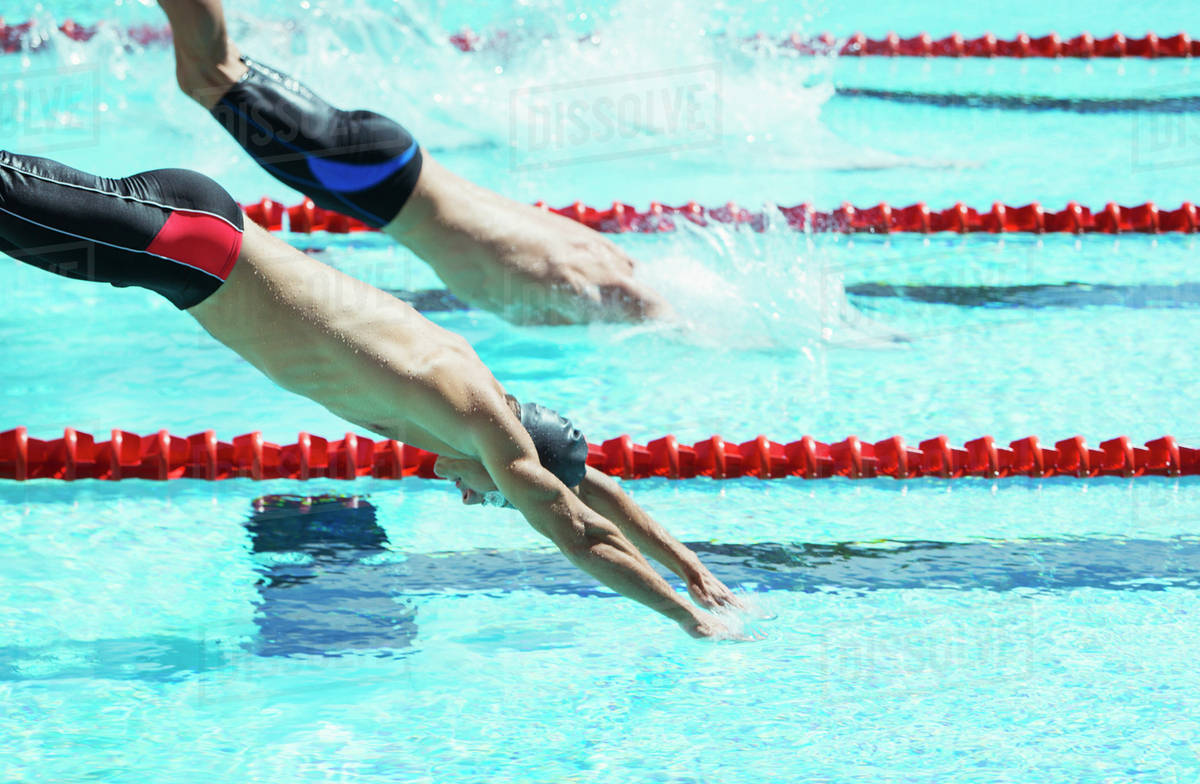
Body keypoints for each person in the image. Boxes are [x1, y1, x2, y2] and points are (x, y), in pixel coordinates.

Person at [0, 149, 737, 638]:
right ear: (519, 466)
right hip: (192, 248)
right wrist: (687, 618)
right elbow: (579, 531)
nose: (473, 500)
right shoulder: (478, 418)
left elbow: (588, 486)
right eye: (502, 498)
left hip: (195, 245)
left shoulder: (482, 409)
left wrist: (690, 566)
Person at [155, 0, 671, 326]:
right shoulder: (568, 284)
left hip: (387, 165)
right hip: (364, 177)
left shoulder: (589, 255)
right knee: (208, 73)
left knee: (216, 69)